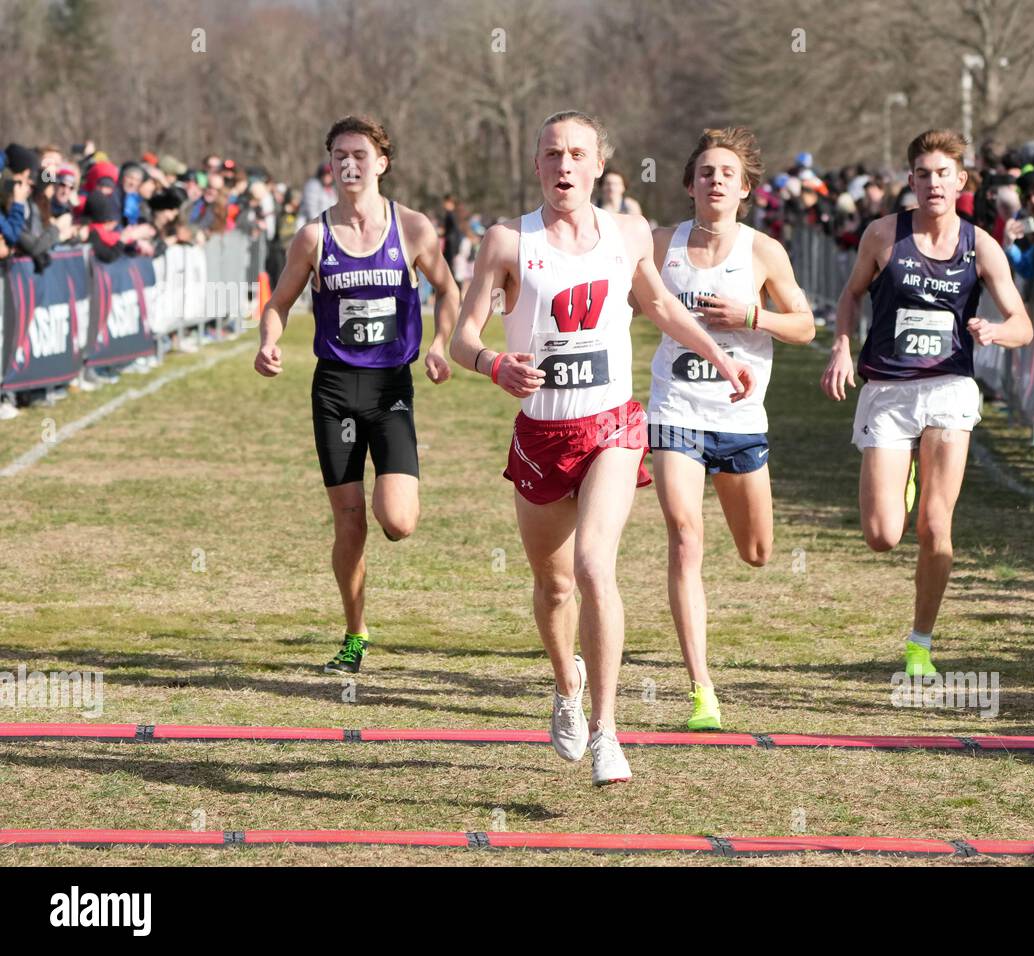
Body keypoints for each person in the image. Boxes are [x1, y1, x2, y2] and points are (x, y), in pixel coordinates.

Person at [448, 110, 754, 785]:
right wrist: (495, 365)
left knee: (593, 567)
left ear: (596, 166)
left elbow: (664, 308)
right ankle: (566, 686)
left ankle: (609, 731)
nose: (564, 166)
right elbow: (459, 337)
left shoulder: (627, 234)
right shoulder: (506, 242)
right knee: (554, 587)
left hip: (612, 426)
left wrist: (721, 356)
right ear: (537, 165)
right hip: (541, 435)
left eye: (577, 154)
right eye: (552, 153)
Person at [820, 129, 1032, 679]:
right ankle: (902, 476)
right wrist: (842, 346)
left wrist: (995, 331)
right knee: (882, 535)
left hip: (948, 388)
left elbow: (1024, 324)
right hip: (888, 391)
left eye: (943, 173)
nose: (933, 183)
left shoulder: (979, 245)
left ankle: (920, 645)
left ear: (961, 181)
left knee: (935, 525)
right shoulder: (884, 235)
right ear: (911, 180)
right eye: (923, 173)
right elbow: (850, 295)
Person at [253, 115, 460, 674]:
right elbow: (277, 303)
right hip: (336, 389)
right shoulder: (313, 237)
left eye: (360, 155)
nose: (349, 165)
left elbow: (447, 289)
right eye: (339, 155)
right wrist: (269, 342)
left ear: (382, 163)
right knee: (350, 522)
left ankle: (395, 489)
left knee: (398, 521)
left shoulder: (413, 229)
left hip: (391, 386)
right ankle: (355, 631)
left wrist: (440, 343)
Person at [647, 127, 814, 730]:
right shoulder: (660, 243)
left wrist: (752, 315)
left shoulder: (762, 251)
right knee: (685, 536)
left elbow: (805, 328)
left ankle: (702, 681)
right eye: (705, 172)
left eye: (727, 174)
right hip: (675, 411)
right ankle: (701, 691)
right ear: (690, 185)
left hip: (740, 419)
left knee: (757, 552)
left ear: (744, 190)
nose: (715, 180)